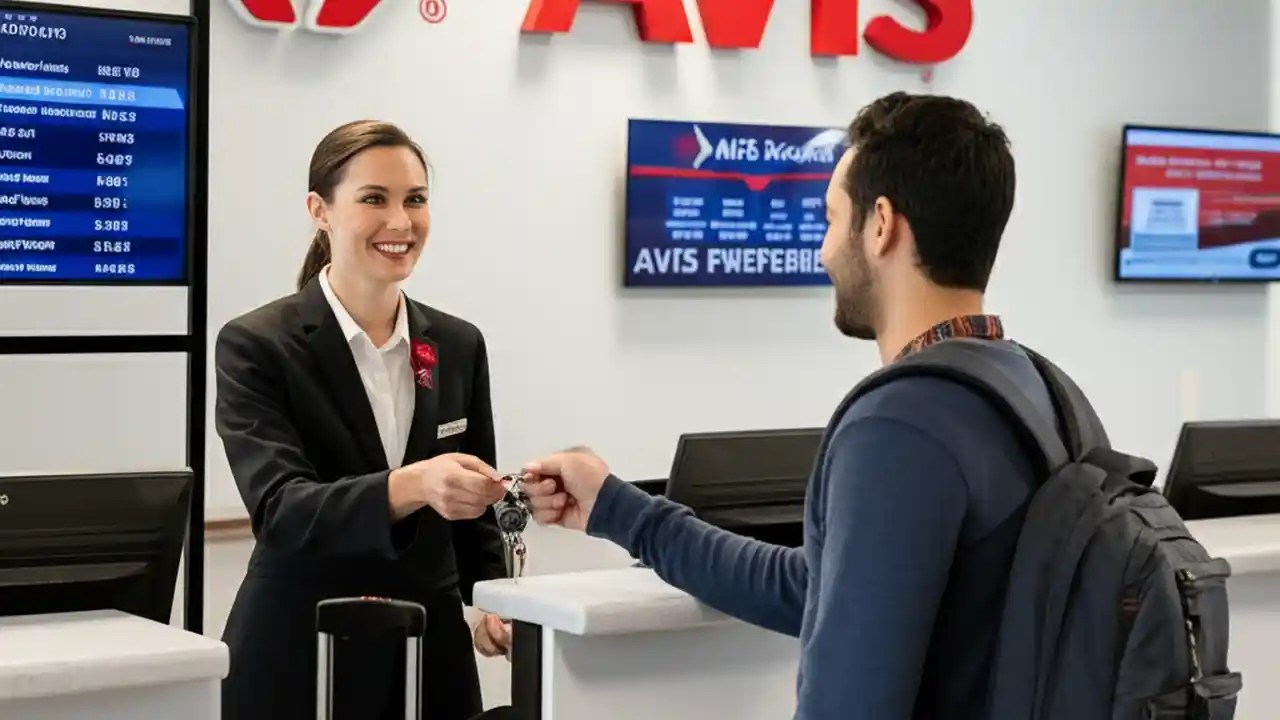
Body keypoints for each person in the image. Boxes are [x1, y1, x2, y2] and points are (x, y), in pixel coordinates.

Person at [520, 92, 1051, 719]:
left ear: (881, 225)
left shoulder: (899, 425)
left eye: (831, 219)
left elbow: (848, 701)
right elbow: (812, 590)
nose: (825, 251)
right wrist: (618, 508)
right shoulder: (1037, 390)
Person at [214, 119, 514, 720]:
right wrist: (414, 484)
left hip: (431, 656)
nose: (401, 222)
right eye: (374, 199)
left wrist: (492, 598)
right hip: (301, 649)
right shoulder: (257, 344)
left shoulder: (457, 344)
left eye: (416, 200)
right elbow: (281, 510)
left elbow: (474, 502)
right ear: (319, 210)